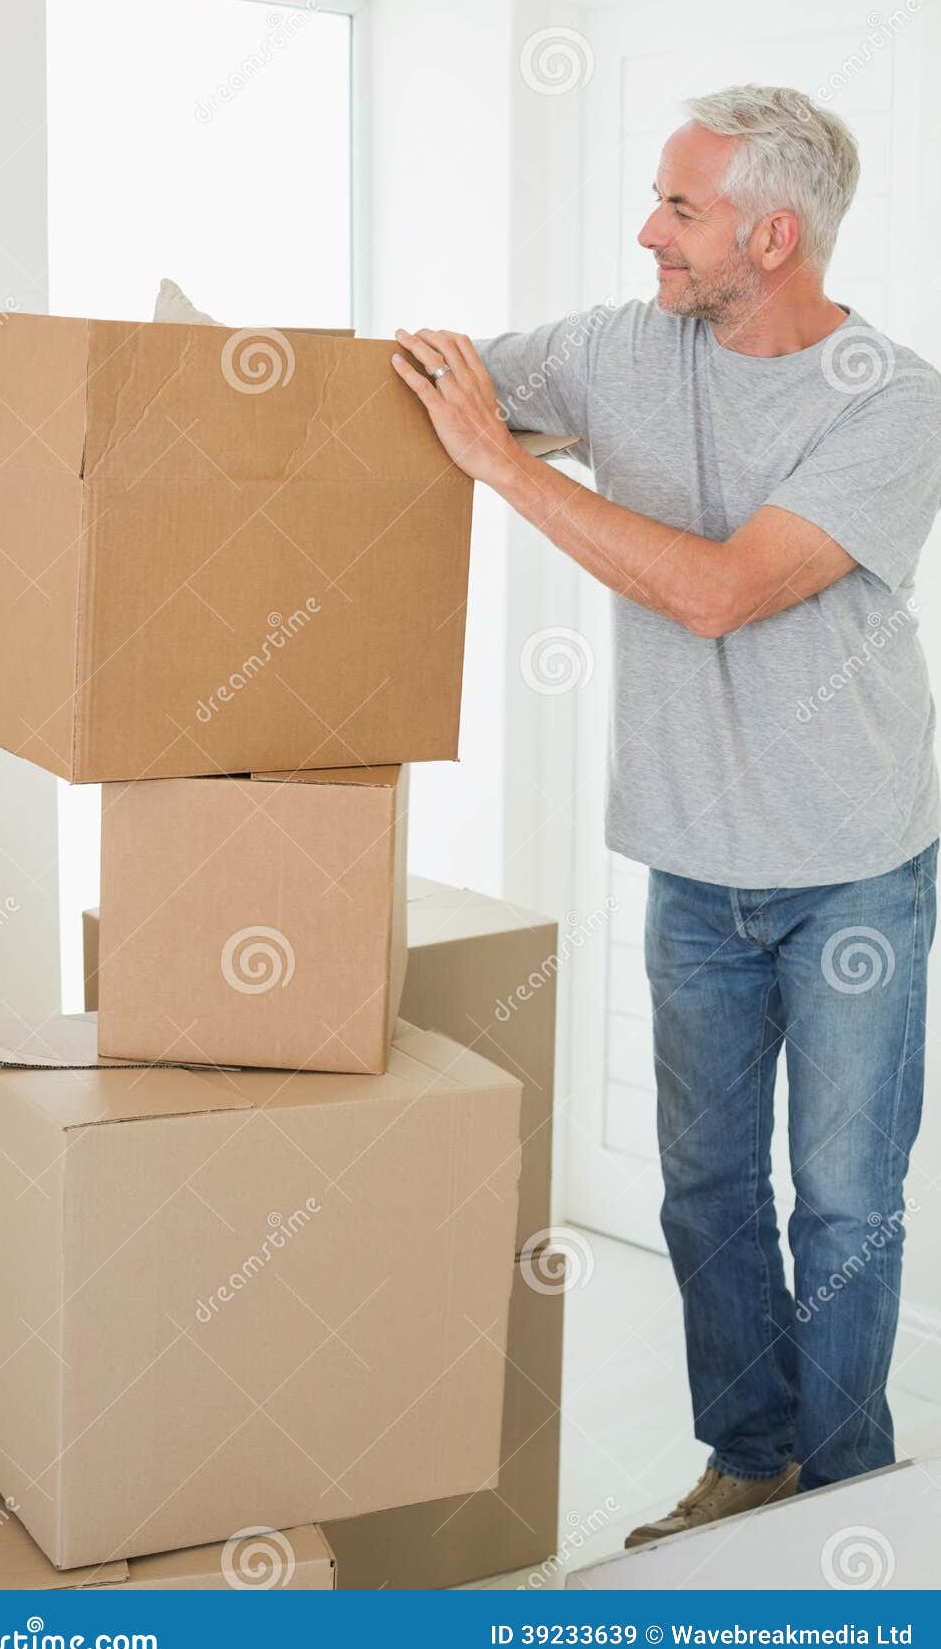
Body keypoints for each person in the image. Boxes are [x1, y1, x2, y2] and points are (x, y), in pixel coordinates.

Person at [391, 83, 941, 1548]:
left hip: (854, 867)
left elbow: (720, 591)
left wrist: (507, 468)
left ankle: (848, 1490)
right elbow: (424, 389)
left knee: (843, 1198)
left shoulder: (892, 398)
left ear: (774, 236)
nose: (648, 230)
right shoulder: (619, 348)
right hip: (694, 868)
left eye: (680, 208)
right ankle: (752, 1461)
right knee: (703, 1187)